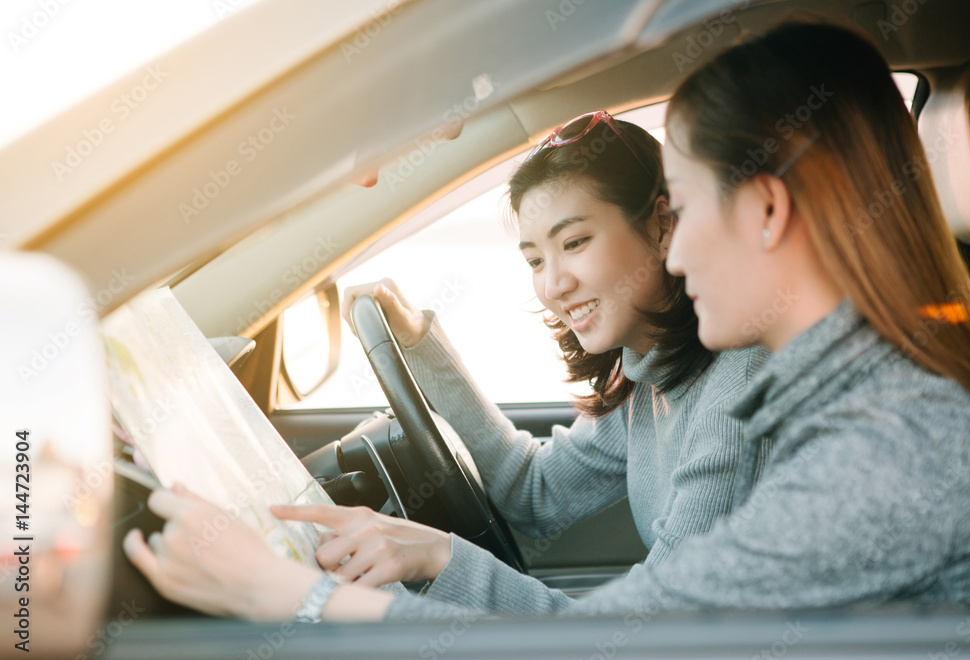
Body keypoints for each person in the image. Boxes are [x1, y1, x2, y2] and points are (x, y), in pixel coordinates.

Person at [124, 21, 970, 624]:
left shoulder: (886, 443)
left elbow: (613, 646)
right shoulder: (828, 398)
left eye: (683, 212)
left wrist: (291, 598)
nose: (679, 252)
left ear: (766, 210)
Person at [126, 111, 768, 617]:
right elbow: (532, 494)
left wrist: (436, 556)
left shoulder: (733, 389)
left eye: (574, 243)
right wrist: (419, 346)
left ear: (660, 226)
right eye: (535, 260)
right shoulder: (649, 377)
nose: (552, 286)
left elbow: (646, 641)